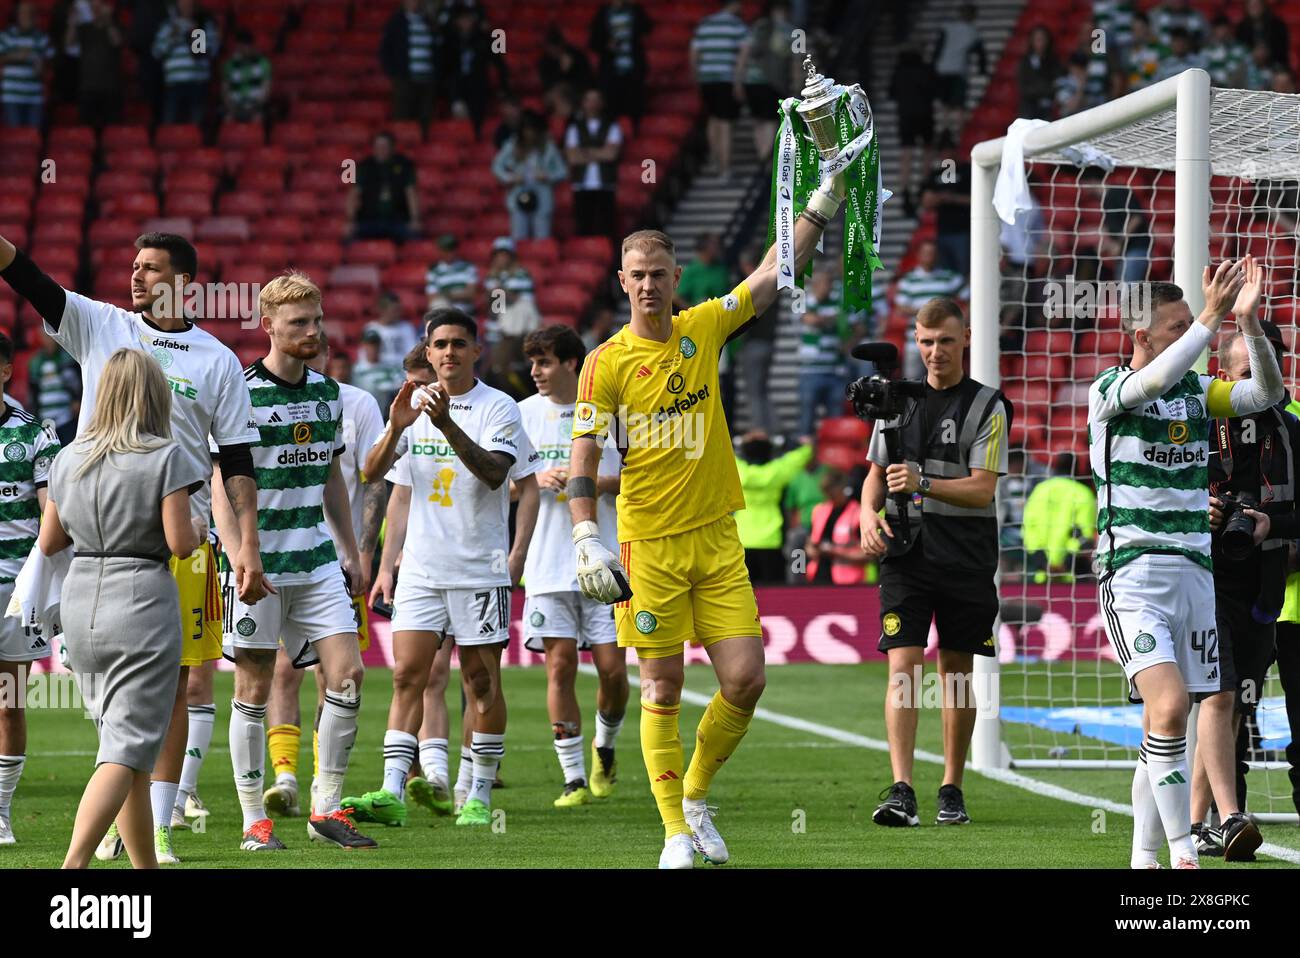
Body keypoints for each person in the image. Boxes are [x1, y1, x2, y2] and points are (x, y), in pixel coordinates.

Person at [565, 159, 846, 868]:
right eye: (638, 273)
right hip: (647, 545)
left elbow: (774, 272)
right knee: (660, 685)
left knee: (746, 680)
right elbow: (584, 459)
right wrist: (584, 535)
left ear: (675, 276)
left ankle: (694, 793)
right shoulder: (603, 363)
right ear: (621, 283)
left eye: (660, 272)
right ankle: (674, 834)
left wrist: (823, 199)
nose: (650, 283)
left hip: (717, 538)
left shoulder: (705, 328)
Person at [0, 229, 266, 865]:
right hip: (116, 546)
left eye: (151, 268)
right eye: (134, 265)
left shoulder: (217, 360)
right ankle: (109, 835)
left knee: (177, 689)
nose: (136, 276)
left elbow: (236, 459)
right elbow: (28, 277)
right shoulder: (99, 322)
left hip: (175, 551)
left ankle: (156, 832)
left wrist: (247, 546)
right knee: (129, 715)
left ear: (184, 282)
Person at [1085, 260, 1281, 869]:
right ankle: (1181, 851)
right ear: (1139, 335)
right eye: (1175, 328)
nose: (1188, 337)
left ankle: (1144, 857)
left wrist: (1245, 324)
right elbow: (1154, 382)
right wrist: (1211, 317)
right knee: (1169, 709)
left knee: (1166, 727)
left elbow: (1268, 393)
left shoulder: (1198, 395)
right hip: (1134, 572)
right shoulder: (1111, 390)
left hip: (1196, 575)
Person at [349, 307, 541, 827]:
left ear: (475, 351)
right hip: (421, 571)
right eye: (441, 344)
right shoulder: (413, 405)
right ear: (428, 352)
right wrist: (395, 426)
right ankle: (391, 790)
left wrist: (446, 423)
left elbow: (496, 475)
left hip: (479, 569)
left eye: (460, 343)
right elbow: (378, 478)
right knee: (409, 675)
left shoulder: (498, 407)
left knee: (481, 682)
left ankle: (477, 792)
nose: (450, 352)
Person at [213, 272, 374, 852]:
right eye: (298, 322)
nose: (312, 330)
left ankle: (325, 810)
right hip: (259, 568)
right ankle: (255, 820)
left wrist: (352, 549)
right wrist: (240, 556)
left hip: (317, 560)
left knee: (349, 676)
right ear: (269, 326)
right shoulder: (240, 391)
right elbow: (222, 482)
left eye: (316, 319)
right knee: (253, 688)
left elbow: (333, 476)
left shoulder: (329, 394)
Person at [42, 348, 204, 868]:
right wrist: (202, 529)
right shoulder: (165, 455)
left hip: (81, 599)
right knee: (124, 752)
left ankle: (144, 871)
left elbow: (49, 541)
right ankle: (72, 868)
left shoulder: (68, 457)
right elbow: (181, 543)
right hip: (140, 601)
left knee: (128, 748)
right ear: (154, 395)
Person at [860, 298, 1011, 830]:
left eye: (945, 341)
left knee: (956, 674)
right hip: (907, 552)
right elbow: (876, 473)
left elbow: (982, 489)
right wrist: (864, 514)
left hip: (966, 554)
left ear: (965, 338)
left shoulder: (988, 405)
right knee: (903, 666)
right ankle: (901, 788)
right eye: (925, 342)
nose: (934, 352)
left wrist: (922, 482)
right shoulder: (896, 400)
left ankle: (952, 786)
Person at [261, 332, 387, 820]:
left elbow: (371, 477)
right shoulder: (262, 394)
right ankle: (284, 778)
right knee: (280, 670)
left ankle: (322, 785)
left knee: (335, 675)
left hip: (336, 560)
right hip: (282, 557)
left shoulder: (354, 403)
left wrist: (363, 550)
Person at [1189, 327, 1296, 861]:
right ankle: (1203, 822)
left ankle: (1224, 828)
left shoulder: (1294, 433)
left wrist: (1268, 522)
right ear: (1225, 377)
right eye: (1248, 371)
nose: (1260, 380)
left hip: (1266, 589)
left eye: (1268, 367)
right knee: (1219, 697)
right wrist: (1199, 513)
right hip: (1205, 585)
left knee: (1235, 710)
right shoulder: (1200, 431)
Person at [517, 325, 628, 806]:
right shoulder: (519, 415)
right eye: (532, 362)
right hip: (546, 563)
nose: (535, 372)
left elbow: (638, 479)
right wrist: (534, 479)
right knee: (559, 667)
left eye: (544, 362)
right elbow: (495, 482)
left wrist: (595, 483)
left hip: (604, 558)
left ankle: (605, 747)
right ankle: (574, 778)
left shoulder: (610, 413)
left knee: (613, 671)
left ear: (571, 364)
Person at [0, 334, 61, 847]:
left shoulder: (35, 437)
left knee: (9, 701)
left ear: (4, 372)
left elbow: (50, 512)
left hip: (16, 594)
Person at [735, 432, 812, 584]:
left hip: (741, 538)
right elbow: (805, 451)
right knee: (773, 592)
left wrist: (739, 442)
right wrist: (790, 440)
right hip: (771, 539)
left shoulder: (736, 470)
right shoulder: (777, 471)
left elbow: (719, 452)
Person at [691, 0, 748, 180]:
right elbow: (743, 57)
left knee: (713, 120)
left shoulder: (705, 24)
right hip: (725, 78)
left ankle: (716, 162)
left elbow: (693, 54)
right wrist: (739, 82)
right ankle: (725, 169)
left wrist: (697, 77)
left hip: (706, 78)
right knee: (725, 123)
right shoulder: (737, 26)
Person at [894, 240, 968, 378]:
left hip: (944, 342)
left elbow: (969, 297)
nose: (929, 256)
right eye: (926, 253)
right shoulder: (908, 280)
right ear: (918, 255)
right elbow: (900, 308)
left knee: (944, 385)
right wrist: (930, 312)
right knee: (912, 385)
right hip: (915, 343)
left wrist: (962, 320)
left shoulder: (949, 277)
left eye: (932, 253)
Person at [735, 0, 797, 164]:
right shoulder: (796, 32)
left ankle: (763, 155)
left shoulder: (756, 27)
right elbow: (798, 61)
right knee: (770, 120)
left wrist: (738, 81)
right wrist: (797, 84)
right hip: (773, 83)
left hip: (751, 81)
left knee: (758, 120)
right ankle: (766, 158)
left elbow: (743, 55)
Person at [491, 110, 567, 241]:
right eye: (526, 130)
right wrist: (510, 178)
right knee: (519, 239)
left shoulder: (548, 147)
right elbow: (496, 166)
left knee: (542, 239)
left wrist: (547, 176)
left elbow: (562, 171)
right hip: (518, 194)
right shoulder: (513, 145)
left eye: (532, 130)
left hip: (542, 196)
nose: (529, 134)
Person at [1021, 453, 1095, 584]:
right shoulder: (1084, 493)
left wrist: (1044, 563)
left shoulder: (1039, 491)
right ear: (1078, 468)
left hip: (1041, 574)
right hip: (1072, 575)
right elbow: (1084, 537)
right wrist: (1065, 564)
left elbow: (1028, 530)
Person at [888, 40, 937, 218]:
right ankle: (924, 184)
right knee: (927, 150)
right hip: (925, 113)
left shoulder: (899, 71)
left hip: (905, 115)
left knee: (906, 153)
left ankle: (905, 190)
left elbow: (891, 93)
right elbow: (934, 90)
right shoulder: (926, 68)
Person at [565, 88, 623, 237]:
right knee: (583, 227)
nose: (592, 104)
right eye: (589, 100)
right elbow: (572, 157)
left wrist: (584, 152)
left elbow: (611, 155)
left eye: (596, 100)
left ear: (602, 103)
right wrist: (600, 152)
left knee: (607, 228)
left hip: (606, 184)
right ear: (583, 103)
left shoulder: (612, 126)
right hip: (581, 185)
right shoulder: (574, 127)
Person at [151, 0, 220, 126]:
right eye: (182, 3)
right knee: (170, 126)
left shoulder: (205, 24)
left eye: (189, 3)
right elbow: (157, 52)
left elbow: (212, 51)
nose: (186, 6)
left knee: (196, 126)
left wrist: (195, 34)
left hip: (198, 82)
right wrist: (173, 35)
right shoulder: (168, 26)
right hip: (174, 83)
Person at [347, 132, 421, 243]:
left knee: (415, 239)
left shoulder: (405, 164)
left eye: (384, 146)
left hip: (397, 218)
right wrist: (350, 220)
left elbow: (411, 193)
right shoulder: (364, 166)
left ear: (392, 147)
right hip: (369, 218)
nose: (381, 150)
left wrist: (415, 219)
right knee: (348, 241)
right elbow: (354, 193)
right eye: (377, 147)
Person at [589, 0, 651, 127]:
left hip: (633, 70)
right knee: (611, 109)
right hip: (611, 71)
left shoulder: (634, 10)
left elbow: (648, 27)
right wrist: (606, 45)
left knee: (634, 107)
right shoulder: (603, 13)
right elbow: (593, 42)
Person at [930, 3, 985, 144]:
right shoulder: (973, 32)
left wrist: (933, 66)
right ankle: (959, 133)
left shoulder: (948, 28)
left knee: (945, 104)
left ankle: (945, 130)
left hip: (942, 69)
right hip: (959, 71)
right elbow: (980, 53)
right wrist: (982, 70)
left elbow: (938, 48)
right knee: (959, 105)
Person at [380, 0, 439, 129]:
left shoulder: (428, 22)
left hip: (427, 77)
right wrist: (394, 72)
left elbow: (438, 47)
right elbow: (385, 49)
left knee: (426, 116)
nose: (414, 3)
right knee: (403, 116)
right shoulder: (396, 22)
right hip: (405, 78)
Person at [805, 466, 867, 585]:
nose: (829, 497)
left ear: (842, 487)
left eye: (832, 492)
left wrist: (834, 552)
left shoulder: (858, 513)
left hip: (848, 582)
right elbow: (809, 542)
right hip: (818, 578)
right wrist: (811, 550)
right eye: (826, 493)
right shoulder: (819, 511)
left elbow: (868, 555)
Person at [0, 1, 54, 128]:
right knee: (15, 139)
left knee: (32, 137)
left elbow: (51, 61)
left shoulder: (41, 37)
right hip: (12, 96)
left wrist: (42, 66)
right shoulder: (7, 36)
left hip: (34, 96)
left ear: (35, 16)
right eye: (23, 13)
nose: (26, 16)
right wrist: (16, 56)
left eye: (30, 13)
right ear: (17, 15)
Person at [69, 0, 122, 127]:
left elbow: (117, 41)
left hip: (110, 88)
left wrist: (108, 21)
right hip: (88, 87)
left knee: (111, 131)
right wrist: (72, 23)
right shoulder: (84, 29)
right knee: (85, 131)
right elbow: (69, 43)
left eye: (99, 7)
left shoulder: (114, 27)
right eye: (94, 8)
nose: (97, 11)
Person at [27, 327, 81, 446]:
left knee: (68, 449)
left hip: (66, 417)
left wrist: (77, 400)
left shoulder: (68, 359)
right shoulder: (36, 363)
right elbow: (33, 391)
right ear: (41, 338)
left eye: (51, 337)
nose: (49, 340)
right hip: (45, 418)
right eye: (46, 337)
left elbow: (78, 383)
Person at [538, 25, 594, 120]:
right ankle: (561, 120)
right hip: (556, 92)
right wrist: (562, 70)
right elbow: (548, 84)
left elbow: (586, 78)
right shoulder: (545, 61)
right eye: (551, 49)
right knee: (555, 93)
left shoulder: (576, 55)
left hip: (577, 90)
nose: (554, 52)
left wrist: (569, 70)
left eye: (556, 48)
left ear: (561, 45)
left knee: (560, 92)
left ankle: (569, 120)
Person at [220, 29, 270, 123]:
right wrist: (232, 109)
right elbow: (225, 91)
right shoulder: (229, 65)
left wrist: (254, 108)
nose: (242, 50)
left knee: (258, 119)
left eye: (245, 46)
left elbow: (266, 90)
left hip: (255, 106)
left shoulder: (263, 64)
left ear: (251, 46)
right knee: (227, 120)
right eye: (239, 46)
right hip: (235, 106)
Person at [364, 290, 421, 368]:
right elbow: (365, 356)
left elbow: (412, 353)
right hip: (379, 369)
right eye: (394, 310)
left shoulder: (406, 327)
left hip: (402, 368)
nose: (398, 313)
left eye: (399, 309)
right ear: (382, 310)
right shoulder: (371, 328)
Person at [352, 329, 405, 411]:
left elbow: (400, 385)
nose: (373, 348)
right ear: (364, 345)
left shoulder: (391, 367)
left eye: (375, 344)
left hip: (388, 408)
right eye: (369, 344)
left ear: (380, 345)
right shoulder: (356, 370)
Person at [1017, 26, 1060, 121]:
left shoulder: (1054, 61)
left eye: (1043, 39)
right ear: (1032, 41)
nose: (1040, 43)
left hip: (1047, 109)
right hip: (1029, 109)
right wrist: (1044, 89)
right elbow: (1024, 88)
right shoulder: (1025, 62)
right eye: (1037, 39)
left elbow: (1057, 83)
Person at [1237, 0, 1290, 71]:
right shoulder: (1241, 27)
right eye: (1251, 6)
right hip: (1249, 64)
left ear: (1264, 6)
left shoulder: (1278, 25)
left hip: (1273, 64)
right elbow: (1239, 49)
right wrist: (1252, 53)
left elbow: (1282, 49)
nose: (1254, 8)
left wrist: (1267, 52)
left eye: (1257, 5)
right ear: (1246, 8)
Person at [1202, 16, 1249, 88]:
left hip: (1236, 88)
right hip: (1213, 88)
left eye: (1225, 28)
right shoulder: (1206, 51)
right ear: (1214, 30)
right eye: (1220, 29)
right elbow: (1204, 72)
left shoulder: (1240, 49)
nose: (1223, 32)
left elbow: (1247, 68)